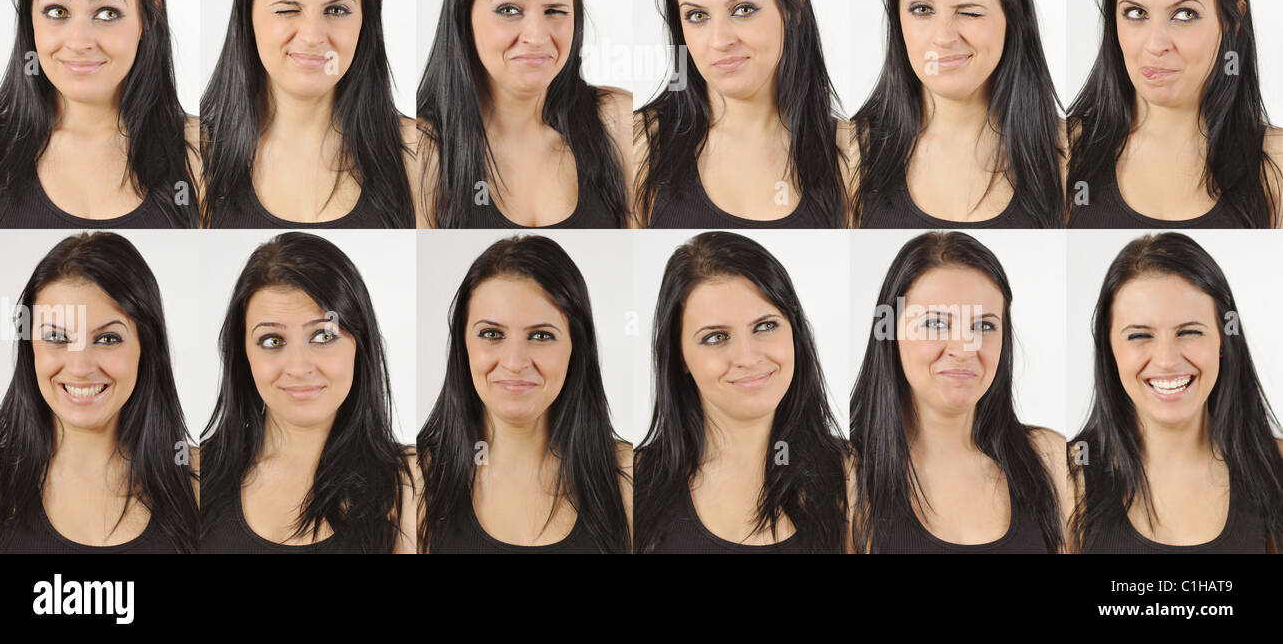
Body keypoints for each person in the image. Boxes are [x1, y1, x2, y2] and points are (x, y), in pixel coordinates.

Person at [848, 231, 1069, 553]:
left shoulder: (1051, 460)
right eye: (936, 324)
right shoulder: (847, 477)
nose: (964, 349)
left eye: (983, 326)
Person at [201, 0, 419, 228]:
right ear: (247, 16)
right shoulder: (196, 154)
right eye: (287, 10)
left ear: (366, 20)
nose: (313, 36)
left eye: (337, 10)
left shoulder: (421, 155)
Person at [413, 0, 630, 229]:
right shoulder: (422, 152)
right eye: (509, 9)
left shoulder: (616, 122)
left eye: (555, 11)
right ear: (463, 16)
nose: (537, 37)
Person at [635, 0, 852, 228]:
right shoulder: (639, 145)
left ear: (793, 8)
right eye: (697, 16)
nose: (720, 40)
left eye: (743, 9)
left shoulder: (849, 153)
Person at [199, 232, 416, 553]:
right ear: (243, 355)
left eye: (323, 336)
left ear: (359, 344)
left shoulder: (409, 483)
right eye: (272, 340)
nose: (298, 368)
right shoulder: (194, 473)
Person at [851, 0, 1066, 229]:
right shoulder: (849, 154)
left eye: (969, 12)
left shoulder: (1070, 155)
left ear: (1012, 18)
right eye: (921, 9)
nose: (943, 37)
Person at [0, 0, 199, 229]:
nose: (79, 42)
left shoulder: (202, 152)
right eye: (57, 11)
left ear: (149, 18)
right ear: (30, 18)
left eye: (107, 13)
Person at [1067, 0, 1283, 228]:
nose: (1156, 44)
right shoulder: (1062, 151)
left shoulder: (1275, 163)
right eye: (1136, 13)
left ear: (1232, 21)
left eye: (1184, 14)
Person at [0, 233, 198, 553]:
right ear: (31, 350)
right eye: (56, 338)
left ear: (146, 347)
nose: (80, 367)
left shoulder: (201, 480)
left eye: (108, 339)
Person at [416, 235, 632, 552]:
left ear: (576, 346)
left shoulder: (629, 477)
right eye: (492, 333)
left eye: (541, 336)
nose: (515, 363)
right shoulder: (415, 480)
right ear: (463, 345)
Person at [1069, 233, 1283, 553]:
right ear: (1109, 349)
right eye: (1139, 335)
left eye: (1190, 332)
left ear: (1223, 339)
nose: (1167, 360)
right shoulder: (1069, 479)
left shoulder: (1275, 467)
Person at [635, 232, 848, 553]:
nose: (747, 358)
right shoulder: (632, 481)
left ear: (794, 331)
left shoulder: (853, 476)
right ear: (680, 357)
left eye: (766, 326)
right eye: (716, 337)